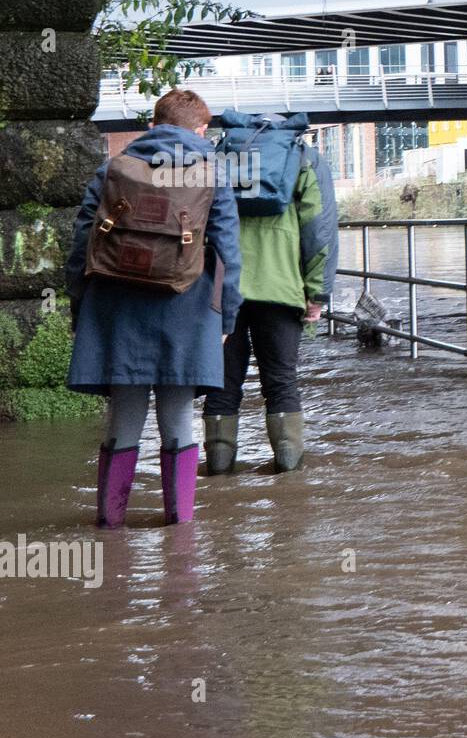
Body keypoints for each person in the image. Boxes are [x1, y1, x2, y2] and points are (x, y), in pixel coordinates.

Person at [65, 89, 242, 528]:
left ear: (152, 124)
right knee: (178, 414)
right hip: (186, 306)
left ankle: (110, 524)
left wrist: (80, 308)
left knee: (124, 413)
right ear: (201, 130)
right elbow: (229, 255)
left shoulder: (112, 169)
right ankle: (179, 529)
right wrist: (227, 316)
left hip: (116, 305)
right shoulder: (212, 173)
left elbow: (80, 245)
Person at [202, 115, 338, 474]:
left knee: (222, 383)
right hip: (280, 286)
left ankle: (217, 474)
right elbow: (318, 229)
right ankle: (289, 477)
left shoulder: (222, 154)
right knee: (280, 381)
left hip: (221, 288)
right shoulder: (305, 158)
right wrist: (317, 292)